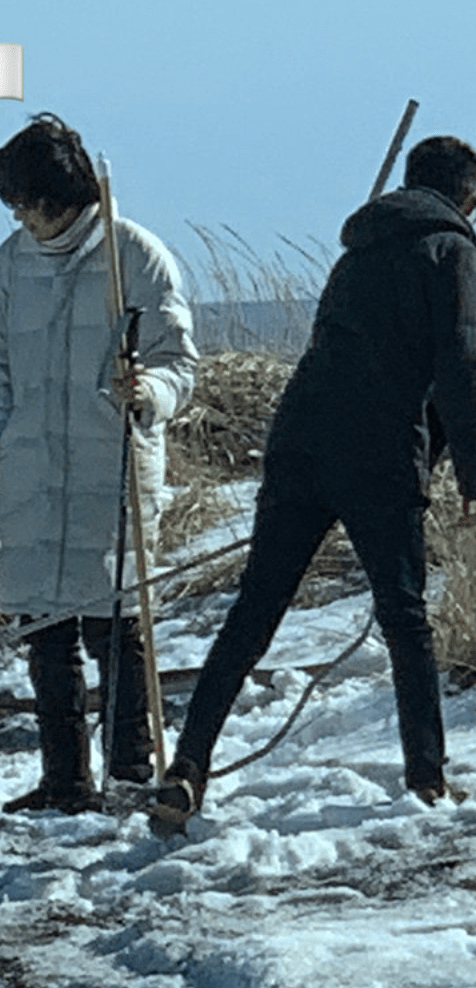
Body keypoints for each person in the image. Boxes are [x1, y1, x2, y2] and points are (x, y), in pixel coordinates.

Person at [149, 135, 476, 834]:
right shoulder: (453, 250)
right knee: (406, 619)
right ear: (465, 195)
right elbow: (458, 366)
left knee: (253, 615)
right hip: (378, 449)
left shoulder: (356, 251)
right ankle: (427, 778)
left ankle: (187, 768)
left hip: (298, 438)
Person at [0, 113, 199, 813]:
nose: (19, 216)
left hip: (113, 461)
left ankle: (129, 769)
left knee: (116, 623)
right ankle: (64, 778)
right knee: (45, 629)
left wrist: (150, 390)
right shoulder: (12, 261)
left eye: (25, 202)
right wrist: (0, 429)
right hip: (34, 467)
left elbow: (179, 364)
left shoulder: (136, 255)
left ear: (60, 197)